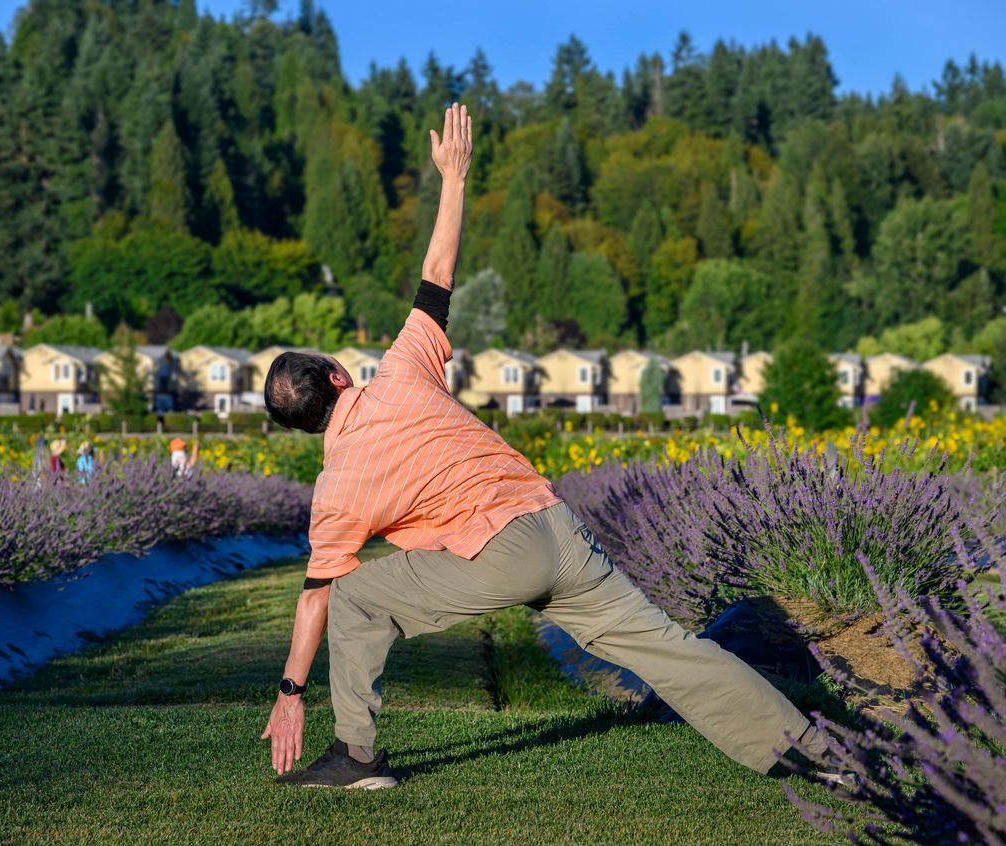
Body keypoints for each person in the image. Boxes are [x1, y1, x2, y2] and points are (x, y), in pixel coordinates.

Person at [259, 103, 842, 790]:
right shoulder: (403, 366)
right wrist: (453, 177)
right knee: (668, 648)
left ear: (303, 426)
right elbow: (438, 271)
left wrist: (290, 692)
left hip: (502, 557)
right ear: (336, 374)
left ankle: (356, 757)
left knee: (356, 598)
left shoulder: (336, 490)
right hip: (560, 531)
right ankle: (817, 753)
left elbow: (316, 599)